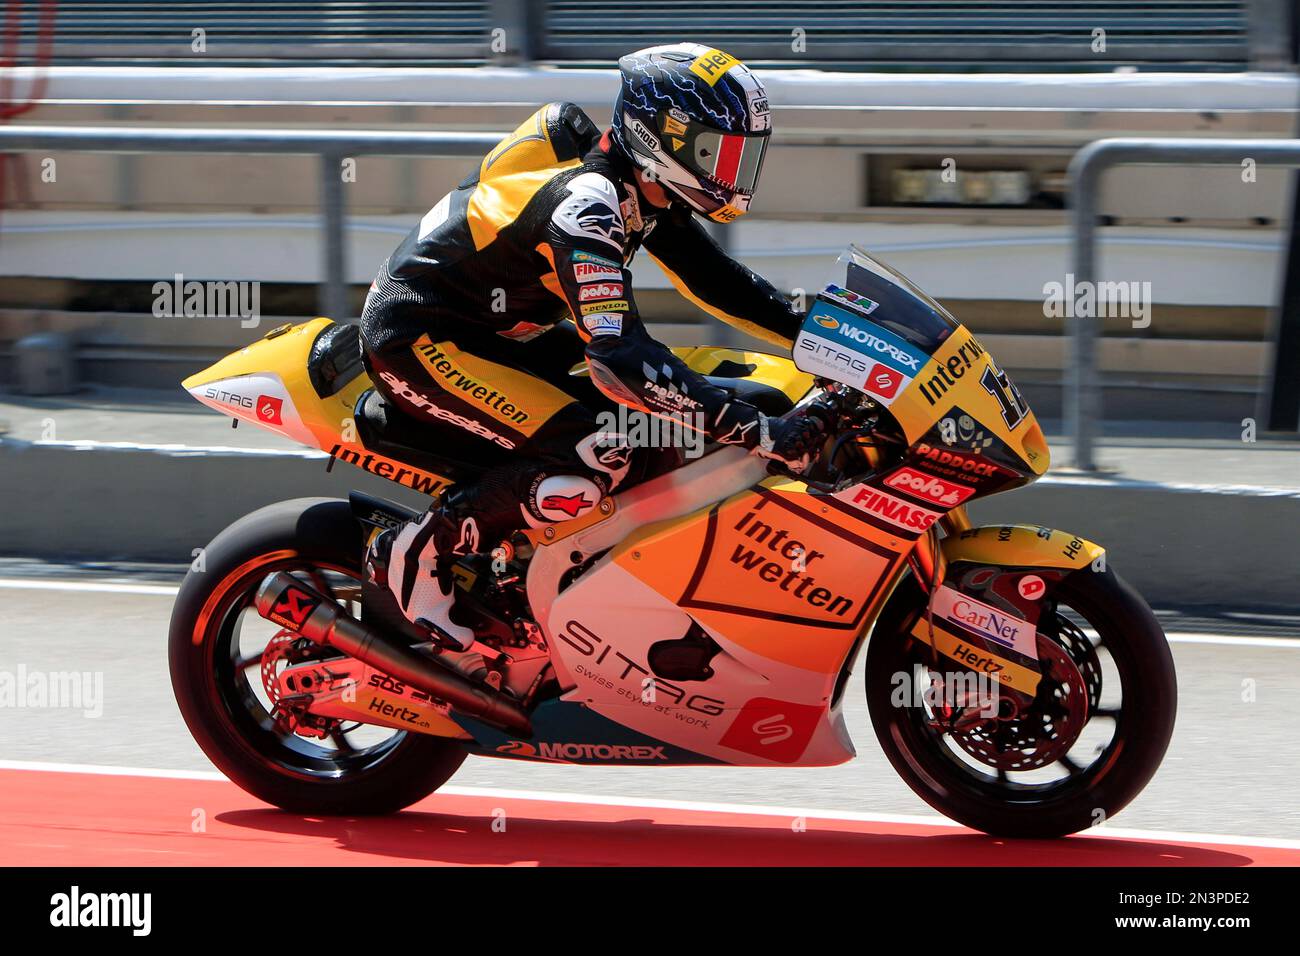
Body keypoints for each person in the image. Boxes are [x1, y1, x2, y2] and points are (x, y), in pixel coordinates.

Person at [360, 42, 828, 649]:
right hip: (419, 340)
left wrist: (833, 336)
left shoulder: (641, 184)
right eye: (716, 150)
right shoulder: (588, 205)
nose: (731, 171)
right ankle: (413, 554)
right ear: (663, 138)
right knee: (595, 455)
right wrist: (756, 432)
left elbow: (715, 282)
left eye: (741, 154)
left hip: (501, 334)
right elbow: (619, 357)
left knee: (658, 434)